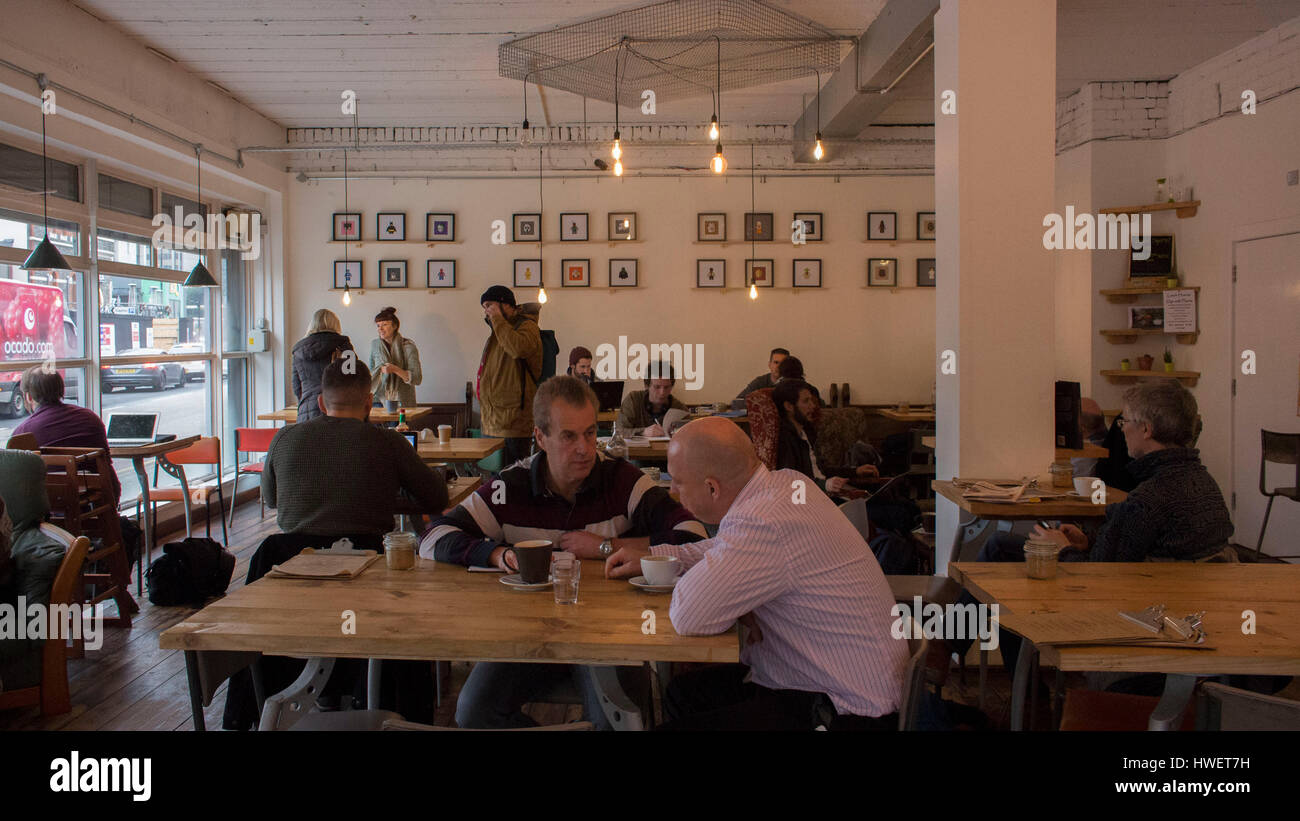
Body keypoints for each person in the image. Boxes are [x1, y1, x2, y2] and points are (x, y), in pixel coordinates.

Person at [421, 375, 707, 729]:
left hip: (608, 633)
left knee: (617, 718)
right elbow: (433, 538)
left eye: (590, 433)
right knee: (474, 710)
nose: (585, 449)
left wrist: (607, 548)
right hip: (527, 634)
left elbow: (694, 538)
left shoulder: (623, 480)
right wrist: (500, 555)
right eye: (569, 436)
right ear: (540, 437)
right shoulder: (510, 487)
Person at [604, 418, 910, 730]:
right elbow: (725, 547)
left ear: (712, 487)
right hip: (828, 679)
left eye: (678, 483)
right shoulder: (787, 484)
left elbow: (689, 614)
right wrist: (659, 557)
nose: (673, 492)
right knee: (684, 694)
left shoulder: (764, 523)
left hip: (846, 711)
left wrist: (725, 590)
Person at [262, 359, 448, 539]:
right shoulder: (389, 442)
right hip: (365, 557)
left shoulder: (284, 438)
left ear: (321, 404)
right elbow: (437, 498)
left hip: (292, 559)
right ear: (369, 403)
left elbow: (271, 499)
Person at [12, 366, 120, 502]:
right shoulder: (90, 417)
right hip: (102, 502)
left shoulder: (23, 433)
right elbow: (106, 462)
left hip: (55, 506)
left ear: (28, 396)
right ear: (61, 389)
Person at [772, 379, 879, 497]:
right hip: (812, 501)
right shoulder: (785, 439)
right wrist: (825, 485)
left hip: (825, 493)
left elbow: (821, 470)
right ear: (789, 406)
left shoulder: (806, 431)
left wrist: (855, 471)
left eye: (811, 400)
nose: (812, 406)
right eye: (806, 401)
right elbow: (791, 484)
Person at [477, 285, 543, 467]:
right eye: (485, 308)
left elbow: (518, 348)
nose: (487, 312)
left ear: (505, 305)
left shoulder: (528, 326)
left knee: (512, 481)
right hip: (493, 420)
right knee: (494, 484)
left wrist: (498, 319)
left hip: (513, 423)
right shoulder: (499, 330)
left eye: (490, 305)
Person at [292, 308, 353, 422]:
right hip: (337, 408)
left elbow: (296, 387)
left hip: (307, 412)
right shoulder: (343, 344)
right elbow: (353, 377)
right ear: (335, 324)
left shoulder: (298, 350)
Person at [368, 306, 421, 409]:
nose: (380, 329)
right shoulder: (375, 345)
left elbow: (417, 378)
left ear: (395, 326)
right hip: (377, 399)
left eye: (385, 325)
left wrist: (395, 369)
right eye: (378, 325)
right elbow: (371, 372)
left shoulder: (408, 346)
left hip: (401, 401)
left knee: (396, 426)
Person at [617, 361, 686, 437]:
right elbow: (619, 431)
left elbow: (690, 435)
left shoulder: (680, 409)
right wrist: (643, 432)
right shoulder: (633, 400)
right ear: (646, 386)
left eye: (666, 387)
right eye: (657, 387)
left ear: (672, 386)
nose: (662, 392)